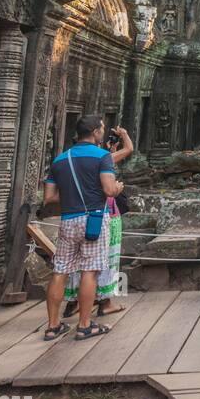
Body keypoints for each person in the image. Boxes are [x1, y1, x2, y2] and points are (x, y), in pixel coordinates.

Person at [42, 114, 124, 341]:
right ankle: (85, 325)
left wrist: (71, 197)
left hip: (68, 220)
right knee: (90, 270)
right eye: (102, 128)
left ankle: (53, 325)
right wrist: (117, 188)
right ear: (96, 132)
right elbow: (108, 190)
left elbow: (49, 197)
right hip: (94, 220)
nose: (103, 132)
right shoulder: (102, 156)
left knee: (60, 271)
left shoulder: (60, 159)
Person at [64, 124, 133, 319]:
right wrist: (124, 133)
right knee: (104, 260)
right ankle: (105, 301)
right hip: (103, 214)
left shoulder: (67, 159)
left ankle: (73, 302)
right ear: (95, 135)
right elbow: (128, 150)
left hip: (74, 214)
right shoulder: (102, 158)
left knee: (76, 262)